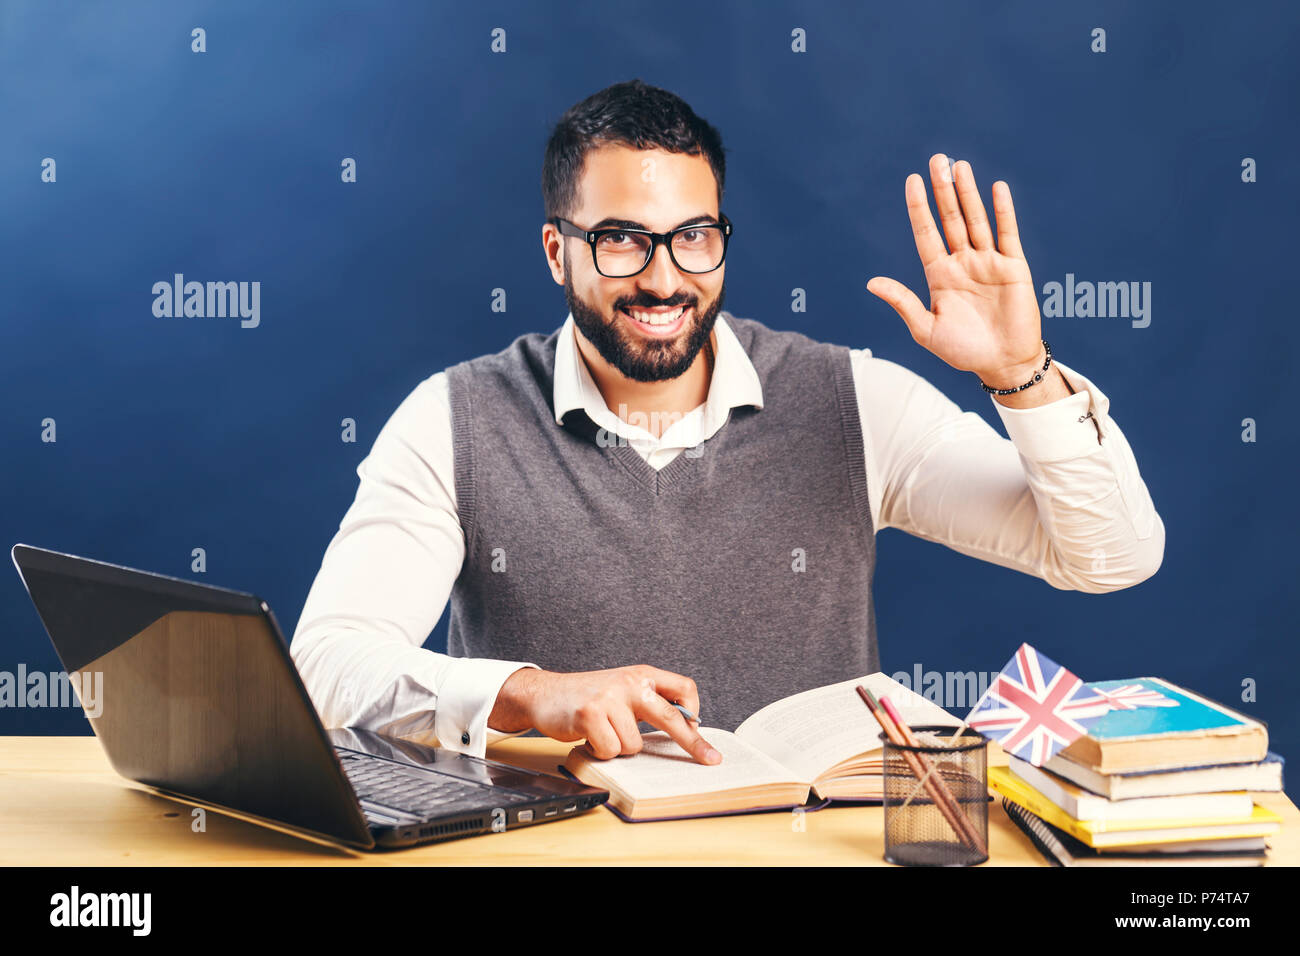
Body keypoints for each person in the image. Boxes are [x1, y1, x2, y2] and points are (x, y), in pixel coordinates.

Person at [291, 79, 1164, 769]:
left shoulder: (853, 402)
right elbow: (326, 666)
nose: (666, 279)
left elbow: (1112, 560)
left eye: (694, 236)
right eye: (622, 241)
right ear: (558, 251)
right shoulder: (456, 419)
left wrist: (1022, 376)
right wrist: (528, 692)